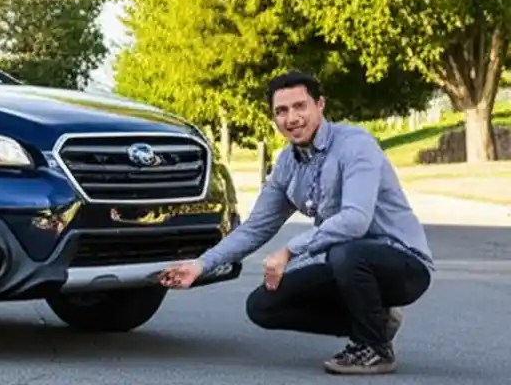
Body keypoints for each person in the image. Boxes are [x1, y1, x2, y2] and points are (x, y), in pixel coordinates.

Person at [160, 70, 434, 375]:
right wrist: (200, 265)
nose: (292, 118)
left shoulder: (356, 145)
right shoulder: (288, 164)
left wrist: (289, 250)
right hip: (346, 266)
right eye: (281, 111)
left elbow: (356, 220)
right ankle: (377, 322)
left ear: (320, 105)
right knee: (263, 306)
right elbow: (256, 228)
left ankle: (374, 348)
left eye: (300, 106)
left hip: (404, 264)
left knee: (347, 252)